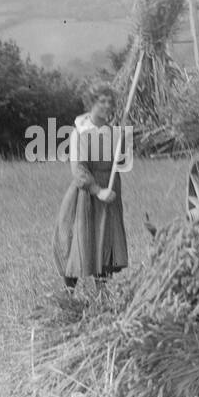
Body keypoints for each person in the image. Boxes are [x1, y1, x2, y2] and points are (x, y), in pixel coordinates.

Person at [52, 82, 129, 287]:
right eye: (101, 101)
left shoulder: (112, 132)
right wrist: (97, 191)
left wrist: (123, 141)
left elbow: (120, 162)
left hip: (110, 189)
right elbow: (79, 170)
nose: (106, 106)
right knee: (80, 240)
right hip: (87, 194)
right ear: (91, 103)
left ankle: (102, 295)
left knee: (104, 240)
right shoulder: (81, 132)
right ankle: (68, 296)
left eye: (110, 102)